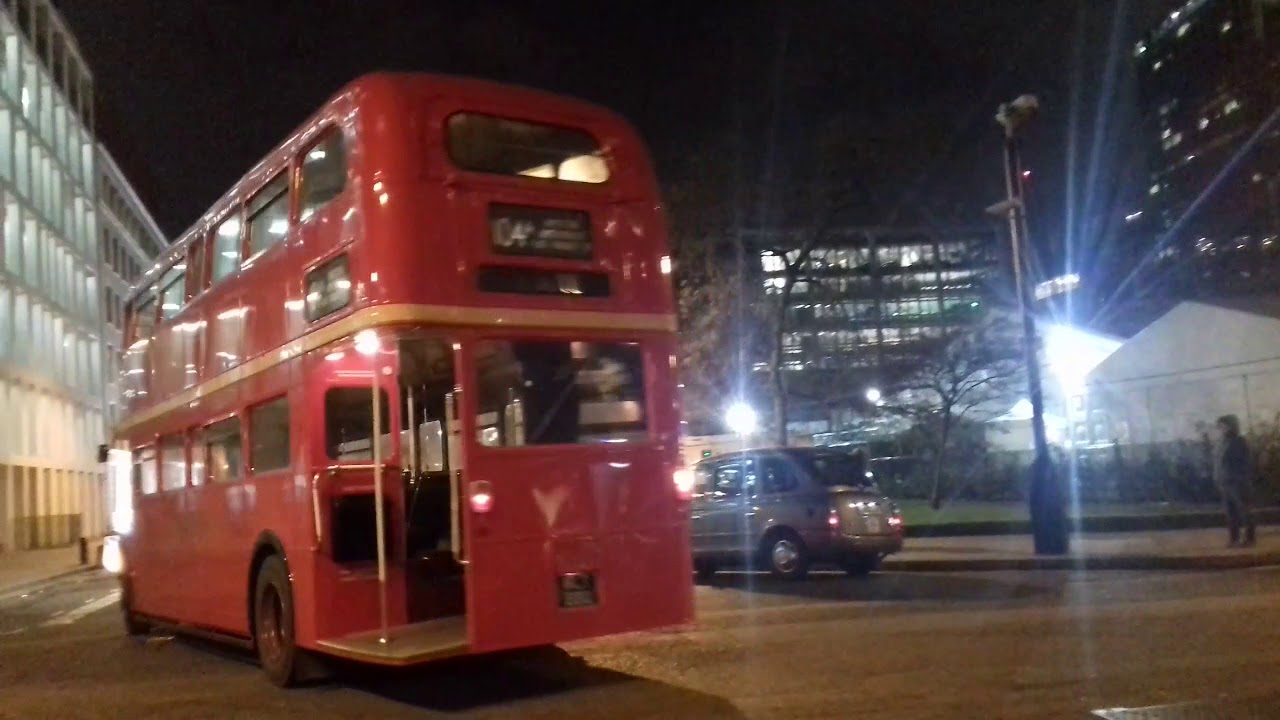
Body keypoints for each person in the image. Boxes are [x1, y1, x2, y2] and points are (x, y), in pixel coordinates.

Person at [1213, 414, 1256, 547]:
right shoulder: (1222, 442)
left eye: (1223, 426)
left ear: (1231, 426)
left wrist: (1240, 478)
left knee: (1244, 510)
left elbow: (1245, 462)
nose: (1220, 429)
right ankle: (1234, 538)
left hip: (1237, 482)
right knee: (1230, 512)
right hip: (1225, 482)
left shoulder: (1238, 441)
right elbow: (1218, 462)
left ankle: (1249, 538)